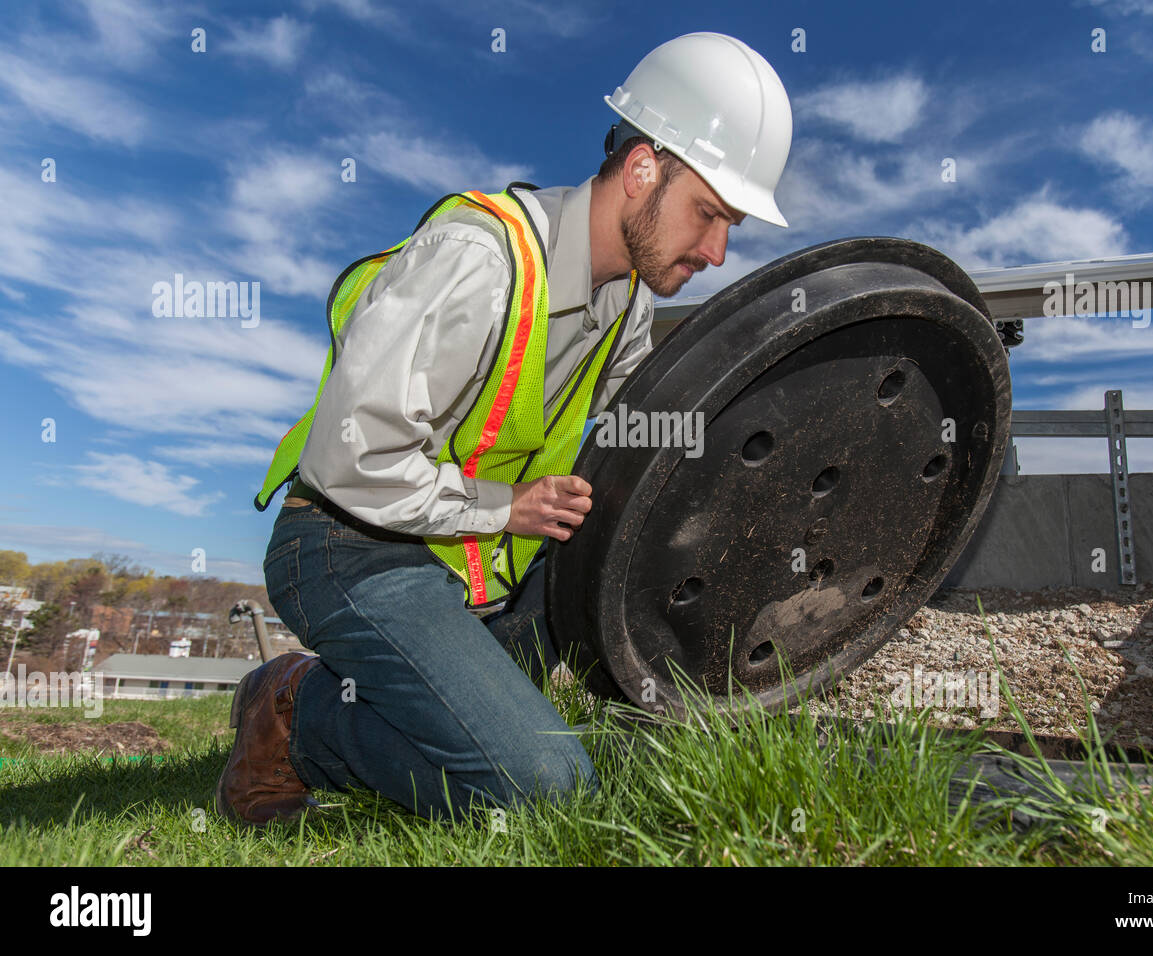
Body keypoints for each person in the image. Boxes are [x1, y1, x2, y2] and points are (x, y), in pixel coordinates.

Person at [215, 32, 793, 826]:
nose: (720, 251)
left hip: (467, 563)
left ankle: (418, 704)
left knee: (511, 710)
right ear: (642, 170)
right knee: (546, 787)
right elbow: (352, 457)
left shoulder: (631, 301)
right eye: (709, 214)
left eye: (731, 224)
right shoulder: (476, 259)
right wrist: (505, 508)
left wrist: (739, 481)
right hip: (348, 543)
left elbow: (637, 437)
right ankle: (293, 713)